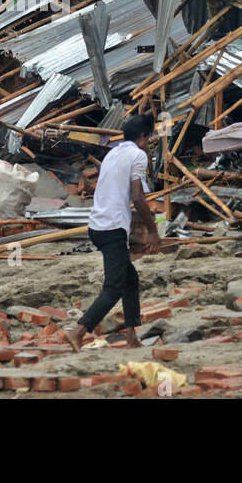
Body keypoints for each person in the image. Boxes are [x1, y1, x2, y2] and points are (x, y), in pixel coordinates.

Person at [66, 114, 160, 352]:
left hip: (97, 227)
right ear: (142, 137)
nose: (149, 145)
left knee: (130, 281)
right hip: (112, 229)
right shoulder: (137, 155)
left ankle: (131, 337)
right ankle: (78, 331)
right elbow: (138, 198)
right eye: (149, 139)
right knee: (113, 287)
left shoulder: (112, 153)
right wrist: (153, 231)